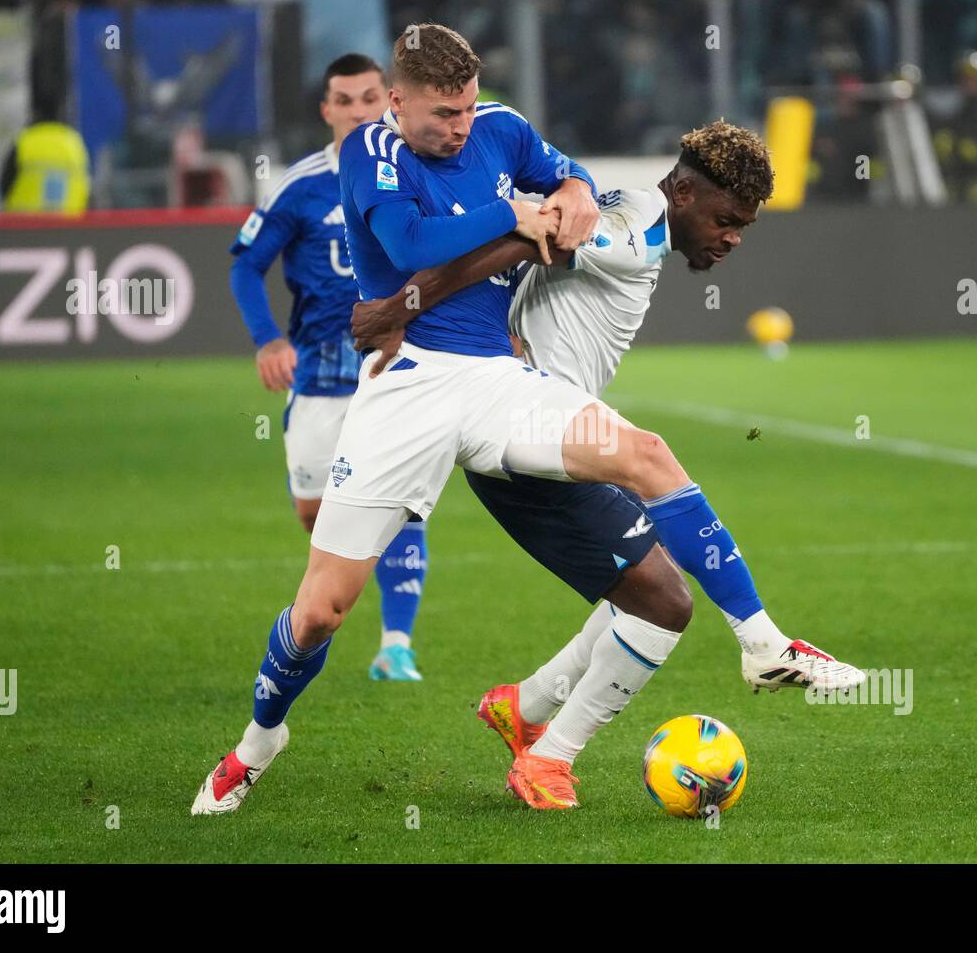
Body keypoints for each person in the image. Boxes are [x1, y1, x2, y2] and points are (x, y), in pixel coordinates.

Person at [190, 22, 799, 816]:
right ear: (397, 101)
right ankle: (258, 741)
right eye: (444, 113)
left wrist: (572, 193)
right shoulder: (367, 156)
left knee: (645, 453)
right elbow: (411, 242)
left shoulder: (501, 128)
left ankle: (759, 638)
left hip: (499, 380)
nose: (461, 127)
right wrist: (519, 212)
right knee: (321, 610)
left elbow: (566, 173)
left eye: (470, 108)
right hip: (406, 387)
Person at [351, 119, 867, 809]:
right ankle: (563, 752)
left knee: (652, 583)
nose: (732, 237)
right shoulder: (635, 233)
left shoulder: (629, 213)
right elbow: (515, 238)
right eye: (726, 219)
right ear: (682, 193)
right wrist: (403, 306)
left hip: (531, 430)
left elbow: (528, 237)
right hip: (526, 437)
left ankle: (525, 707)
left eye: (743, 226)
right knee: (664, 587)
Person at [228, 53, 427, 682]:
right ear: (327, 110)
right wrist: (267, 340)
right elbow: (243, 264)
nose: (360, 110)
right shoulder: (300, 185)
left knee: (399, 505)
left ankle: (397, 644)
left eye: (371, 98)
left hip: (396, 366)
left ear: (389, 102)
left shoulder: (415, 171)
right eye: (346, 100)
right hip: (316, 374)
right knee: (316, 513)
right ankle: (330, 600)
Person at [933, 51, 977, 203]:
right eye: (966, 79)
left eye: (976, 79)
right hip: (955, 189)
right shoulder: (957, 114)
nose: (970, 83)